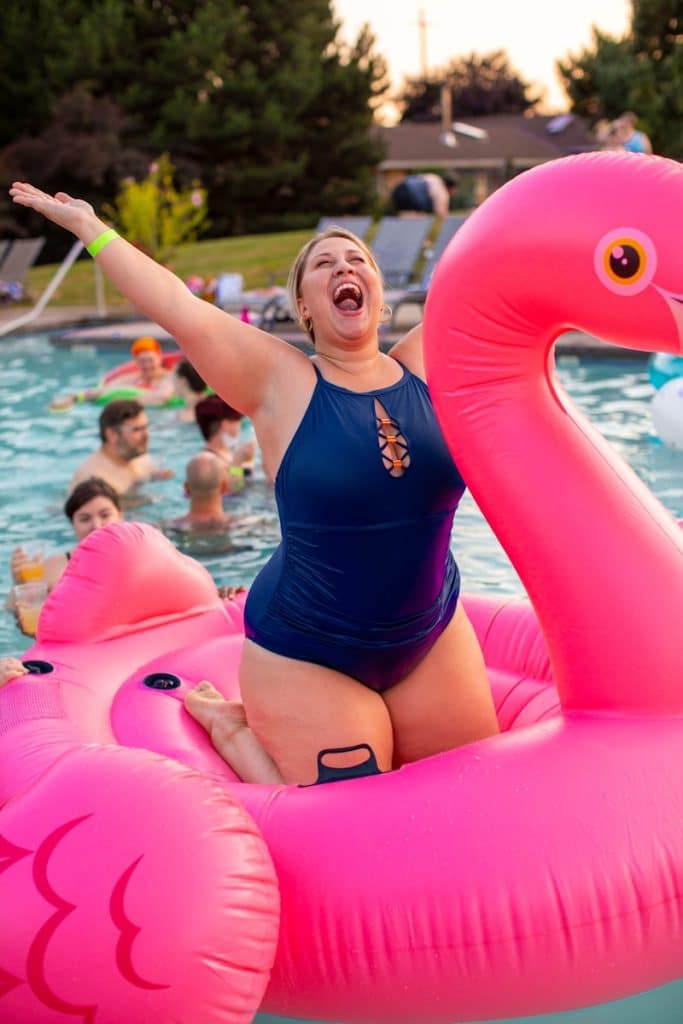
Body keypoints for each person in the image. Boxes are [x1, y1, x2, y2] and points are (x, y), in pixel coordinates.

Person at [9, 181, 500, 786]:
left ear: (379, 290)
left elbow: (498, 279)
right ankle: (233, 730)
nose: (344, 267)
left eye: (357, 261)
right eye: (324, 264)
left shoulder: (430, 361)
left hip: (430, 632)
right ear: (305, 307)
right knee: (344, 817)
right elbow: (180, 309)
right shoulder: (280, 380)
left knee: (478, 788)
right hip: (310, 649)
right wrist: (91, 228)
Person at [8, 477, 123, 636]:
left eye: (105, 515)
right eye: (84, 519)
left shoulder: (140, 559)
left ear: (120, 516)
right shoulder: (56, 567)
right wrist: (19, 582)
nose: (96, 525)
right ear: (73, 524)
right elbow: (10, 610)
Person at [68, 398, 174, 496]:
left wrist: (155, 476)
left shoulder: (136, 455)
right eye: (136, 430)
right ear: (112, 434)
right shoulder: (96, 481)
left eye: (146, 427)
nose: (146, 435)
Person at [51, 336, 175, 410]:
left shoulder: (169, 378)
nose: (147, 365)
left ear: (159, 358)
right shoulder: (130, 379)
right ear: (136, 362)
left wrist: (122, 402)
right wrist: (73, 398)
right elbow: (103, 391)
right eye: (142, 361)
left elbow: (163, 397)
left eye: (150, 360)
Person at [195, 394, 257, 481]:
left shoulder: (224, 456)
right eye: (237, 420)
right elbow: (235, 489)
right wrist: (238, 462)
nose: (239, 426)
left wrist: (248, 459)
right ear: (225, 425)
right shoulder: (207, 463)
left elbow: (242, 474)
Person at [165, 452, 232, 532]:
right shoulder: (243, 523)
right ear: (224, 487)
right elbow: (247, 473)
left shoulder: (166, 528)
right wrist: (238, 463)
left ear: (186, 489)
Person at [391, 172, 458, 218]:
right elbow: (441, 214)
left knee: (405, 216)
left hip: (399, 188)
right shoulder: (442, 191)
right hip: (410, 194)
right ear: (451, 187)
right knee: (418, 216)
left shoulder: (435, 177)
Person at [173, 358, 209, 423]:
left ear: (182, 381)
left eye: (173, 376)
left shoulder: (186, 417)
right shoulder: (211, 405)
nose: (172, 381)